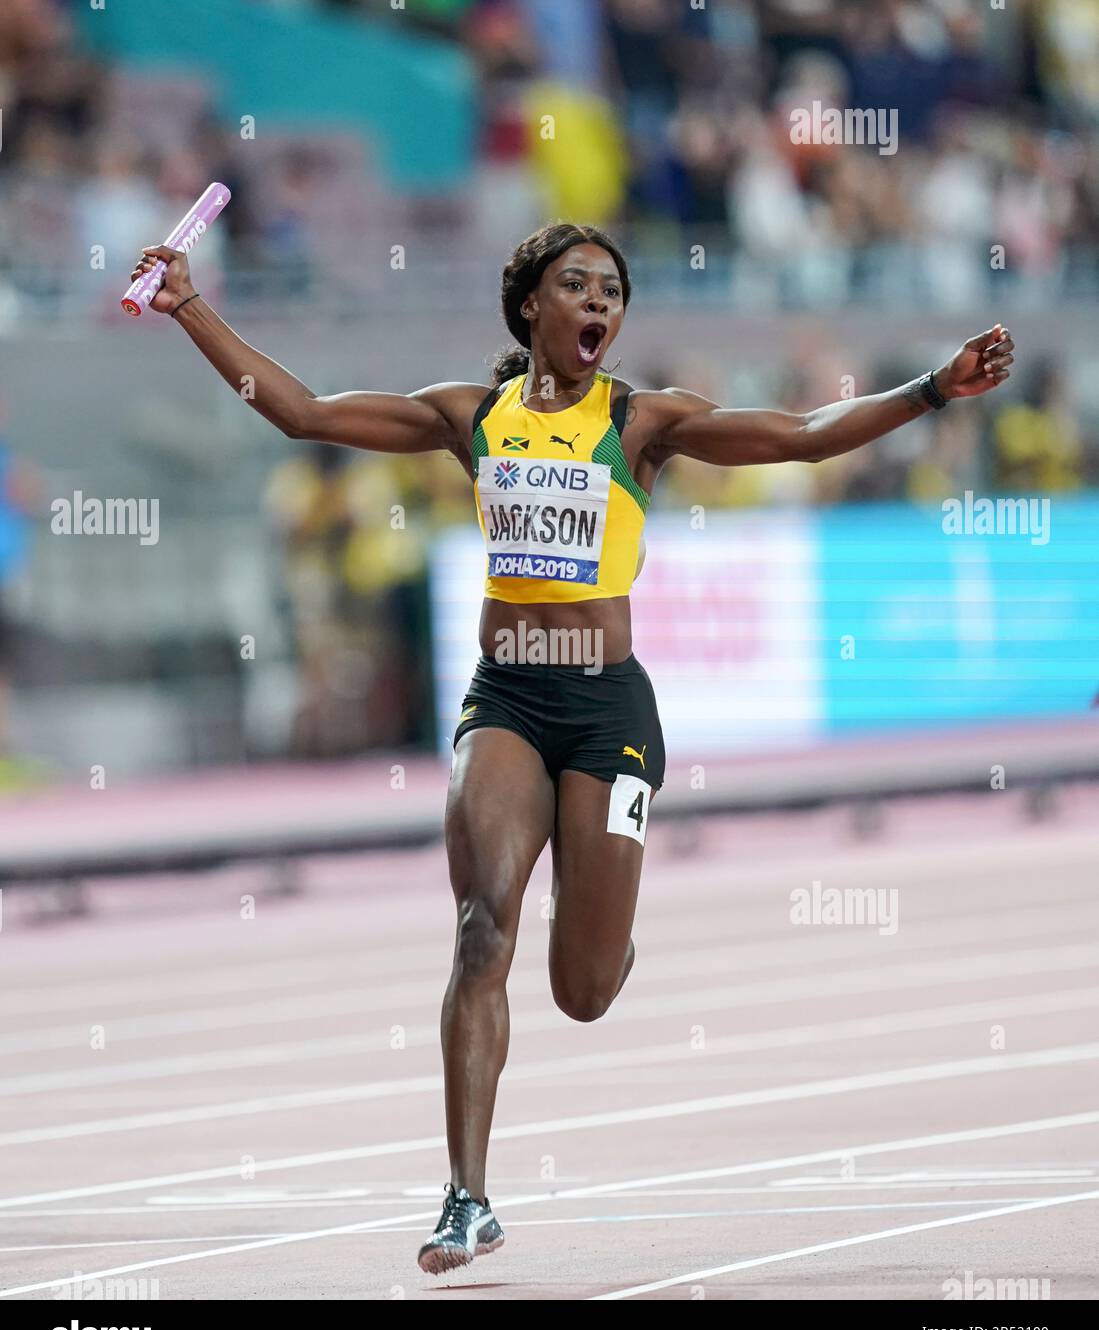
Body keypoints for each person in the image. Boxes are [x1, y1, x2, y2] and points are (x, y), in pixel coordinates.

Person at [130, 221, 1015, 1274]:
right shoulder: (474, 415)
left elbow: (803, 433)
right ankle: (467, 1196)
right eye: (577, 285)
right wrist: (188, 304)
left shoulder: (642, 422)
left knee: (583, 988)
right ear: (532, 308)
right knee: (478, 929)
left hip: (609, 716)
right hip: (505, 699)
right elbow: (303, 413)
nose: (599, 303)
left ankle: (607, 922)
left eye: (612, 291)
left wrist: (930, 388)